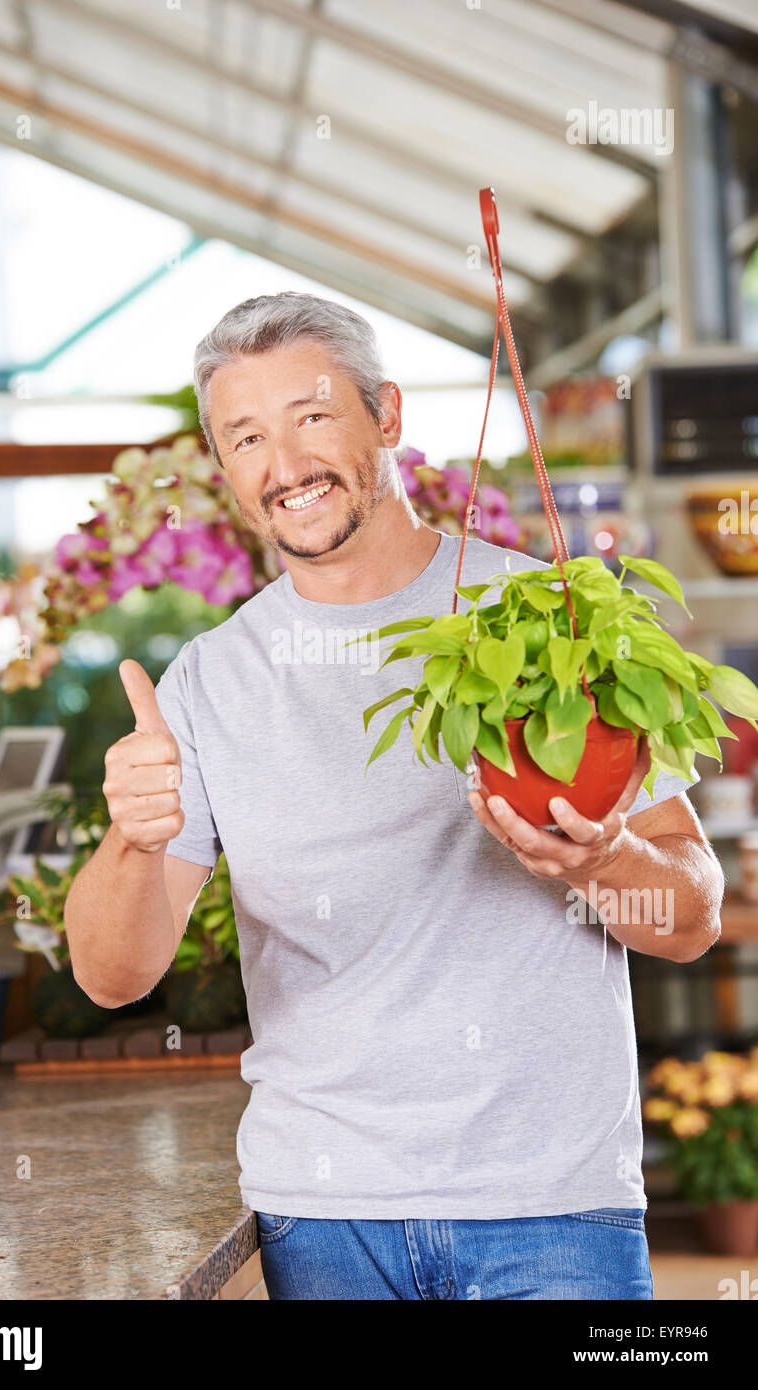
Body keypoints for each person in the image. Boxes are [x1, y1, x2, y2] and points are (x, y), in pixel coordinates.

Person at [65, 292, 723, 1300]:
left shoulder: (554, 619)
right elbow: (115, 978)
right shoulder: (208, 682)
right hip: (325, 1218)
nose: (284, 464)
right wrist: (133, 839)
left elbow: (691, 916)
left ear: (390, 416)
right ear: (226, 469)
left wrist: (600, 859)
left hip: (554, 1208)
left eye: (314, 416)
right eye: (247, 437)